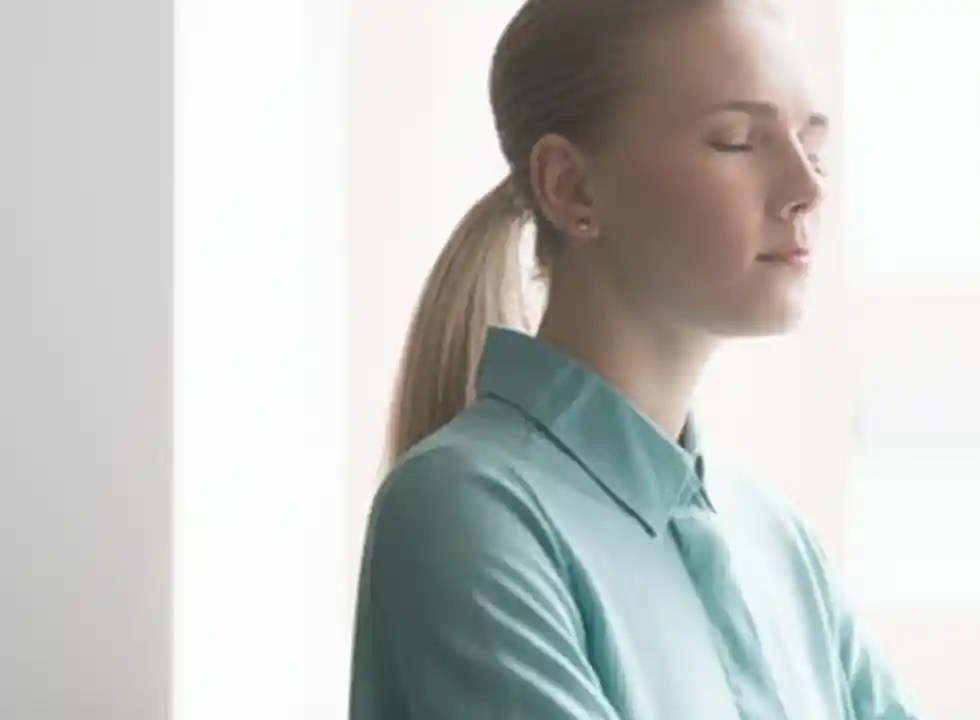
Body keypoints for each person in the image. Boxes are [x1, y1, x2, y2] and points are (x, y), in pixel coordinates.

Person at [349, 0, 924, 717]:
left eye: (812, 145)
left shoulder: (777, 542)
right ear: (571, 186)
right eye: (736, 141)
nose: (807, 189)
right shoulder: (467, 512)